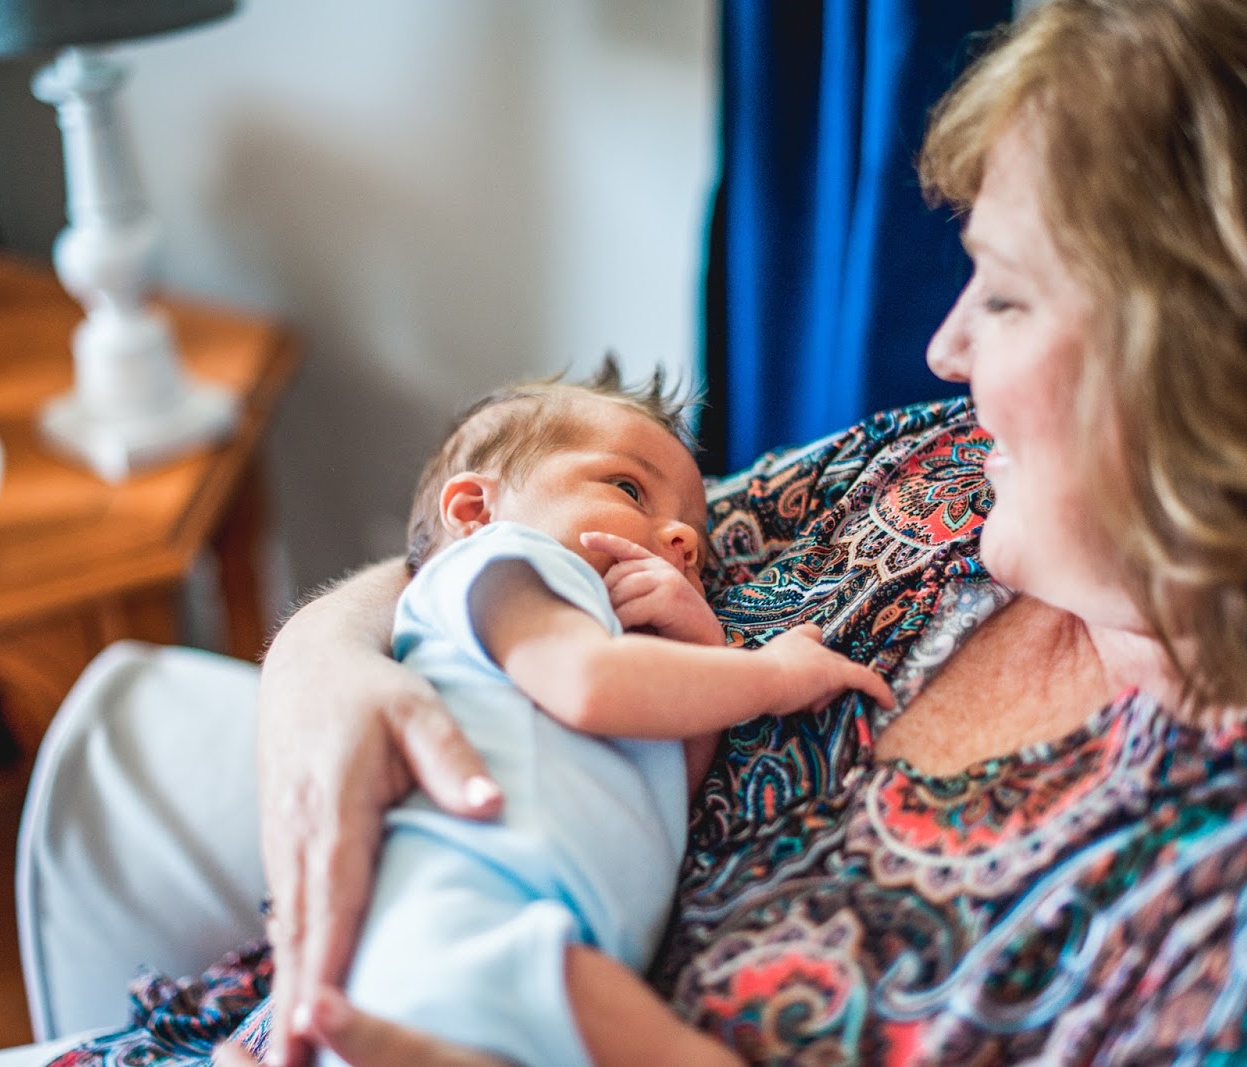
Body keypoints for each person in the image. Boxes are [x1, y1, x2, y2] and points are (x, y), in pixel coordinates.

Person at [56, 0, 1247, 1062]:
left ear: (1225, 370)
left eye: (1007, 296)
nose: (943, 348)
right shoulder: (931, 479)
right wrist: (320, 667)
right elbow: (495, 558)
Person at [267, 361, 888, 1066]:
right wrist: (769, 673)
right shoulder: (502, 564)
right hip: (466, 934)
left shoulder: (598, 635)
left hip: (492, 953)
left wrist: (700, 646)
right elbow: (587, 683)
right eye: (628, 488)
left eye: (695, 541)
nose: (680, 539)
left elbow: (666, 791)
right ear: (473, 510)